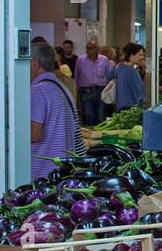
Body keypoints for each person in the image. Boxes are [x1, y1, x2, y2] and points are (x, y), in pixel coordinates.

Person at [29, 41, 83, 179]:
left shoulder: (37, 91)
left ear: (35, 64)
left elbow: (34, 135)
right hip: (61, 169)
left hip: (43, 171)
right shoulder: (61, 87)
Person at [73, 39, 111, 126]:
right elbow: (77, 76)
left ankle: (98, 136)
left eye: (91, 48)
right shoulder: (80, 60)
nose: (88, 50)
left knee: (100, 114)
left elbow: (109, 75)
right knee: (88, 114)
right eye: (87, 48)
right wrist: (78, 90)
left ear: (97, 49)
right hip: (85, 90)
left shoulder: (104, 60)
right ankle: (88, 135)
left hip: (100, 89)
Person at [115, 42, 147, 110]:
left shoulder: (119, 66)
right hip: (130, 107)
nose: (142, 57)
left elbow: (107, 78)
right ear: (132, 55)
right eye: (140, 55)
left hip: (119, 105)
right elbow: (140, 91)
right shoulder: (132, 71)